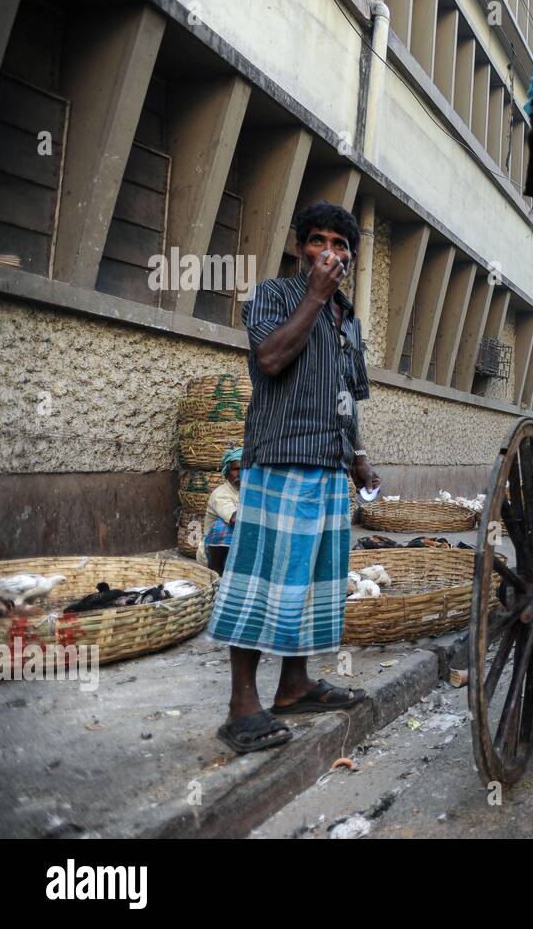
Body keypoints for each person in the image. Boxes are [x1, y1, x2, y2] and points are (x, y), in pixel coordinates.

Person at [207, 201, 382, 754]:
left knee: (310, 583)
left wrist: (357, 456)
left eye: (339, 244)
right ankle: (241, 706)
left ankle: (294, 686)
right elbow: (271, 360)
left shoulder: (349, 321)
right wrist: (315, 297)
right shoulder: (273, 296)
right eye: (318, 241)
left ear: (350, 258)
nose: (328, 251)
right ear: (301, 248)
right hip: (280, 460)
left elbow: (348, 398)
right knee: (261, 577)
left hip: (330, 467)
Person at [198, 447, 242, 574]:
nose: (240, 473)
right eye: (236, 469)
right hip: (213, 554)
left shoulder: (249, 491)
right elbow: (234, 519)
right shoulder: (220, 493)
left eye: (244, 469)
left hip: (237, 547)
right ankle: (218, 573)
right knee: (223, 526)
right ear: (226, 472)